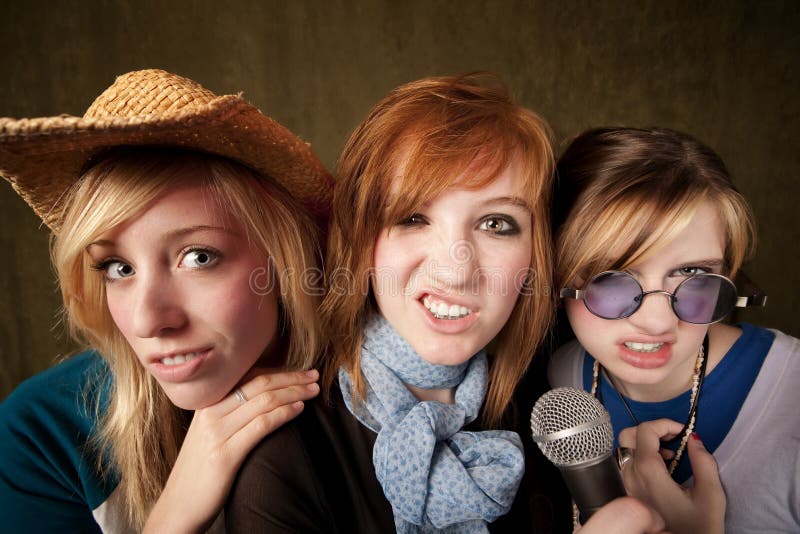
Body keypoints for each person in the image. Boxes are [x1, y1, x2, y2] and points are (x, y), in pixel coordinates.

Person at [226, 74, 672, 534]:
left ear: (534, 256)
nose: (457, 270)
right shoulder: (284, 455)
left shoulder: (554, 413)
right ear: (361, 241)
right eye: (413, 217)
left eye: (497, 224)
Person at [0, 69, 334, 532]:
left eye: (198, 257)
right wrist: (174, 517)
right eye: (118, 268)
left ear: (282, 258)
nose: (147, 320)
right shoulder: (44, 432)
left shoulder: (386, 389)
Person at [548, 126, 800, 533]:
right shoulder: (557, 381)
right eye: (612, 277)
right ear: (556, 276)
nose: (658, 321)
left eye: (693, 272)